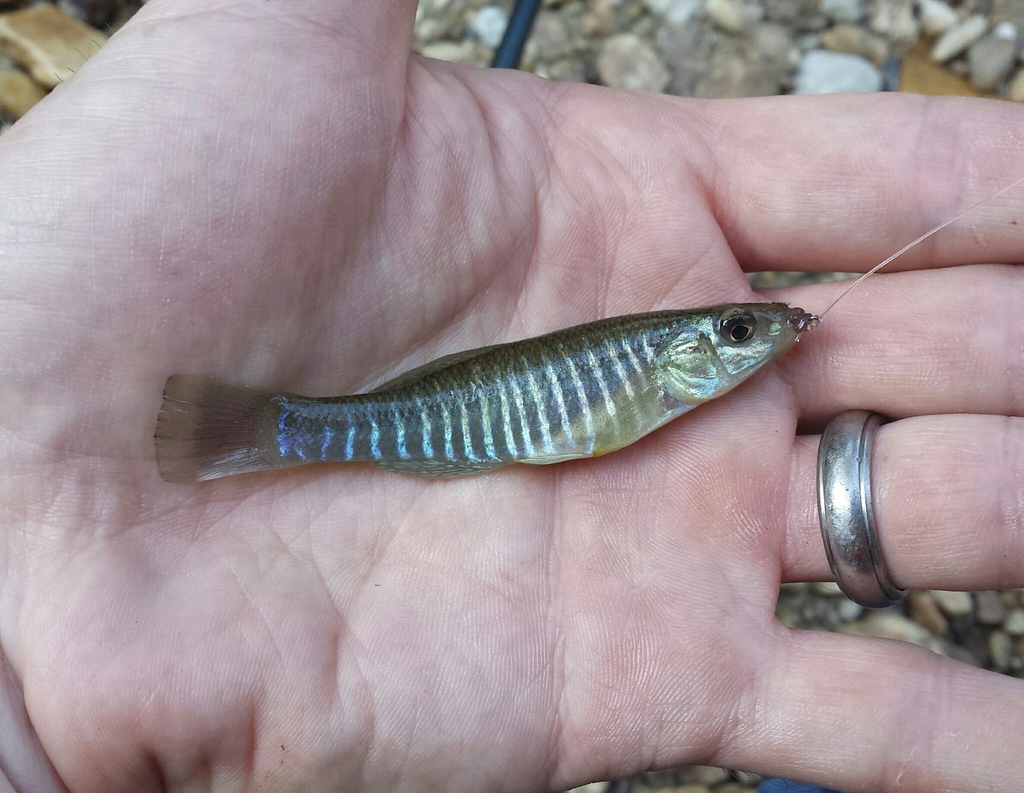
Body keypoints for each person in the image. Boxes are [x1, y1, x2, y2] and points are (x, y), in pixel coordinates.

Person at [1, 0, 1022, 790]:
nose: (759, 339)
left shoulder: (687, 377)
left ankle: (280, 429)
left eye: (746, 332)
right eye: (738, 332)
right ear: (695, 350)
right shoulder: (674, 370)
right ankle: (277, 428)